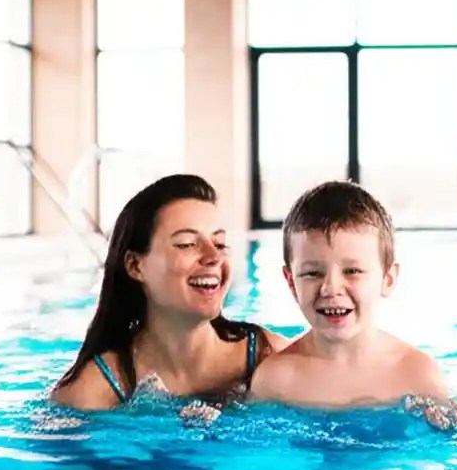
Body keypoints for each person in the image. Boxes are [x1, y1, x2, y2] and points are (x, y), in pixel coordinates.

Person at [51, 174, 287, 418]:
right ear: (135, 266)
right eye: (186, 244)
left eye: (219, 243)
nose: (213, 257)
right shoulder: (92, 392)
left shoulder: (268, 356)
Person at [248, 180, 457, 429]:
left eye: (352, 271)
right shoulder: (276, 379)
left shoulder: (416, 373)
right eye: (312, 273)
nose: (331, 288)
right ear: (291, 282)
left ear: (387, 279)